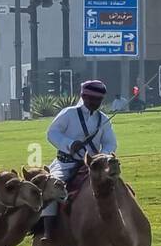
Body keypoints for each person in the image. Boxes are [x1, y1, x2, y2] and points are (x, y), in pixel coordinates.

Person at [42, 80, 117, 226]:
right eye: (93, 99)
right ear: (84, 96)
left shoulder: (103, 119)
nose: (96, 103)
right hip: (65, 164)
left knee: (117, 186)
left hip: (94, 165)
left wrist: (103, 155)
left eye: (99, 100)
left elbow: (110, 142)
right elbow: (52, 133)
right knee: (51, 187)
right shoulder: (69, 113)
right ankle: (47, 230)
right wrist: (69, 144)